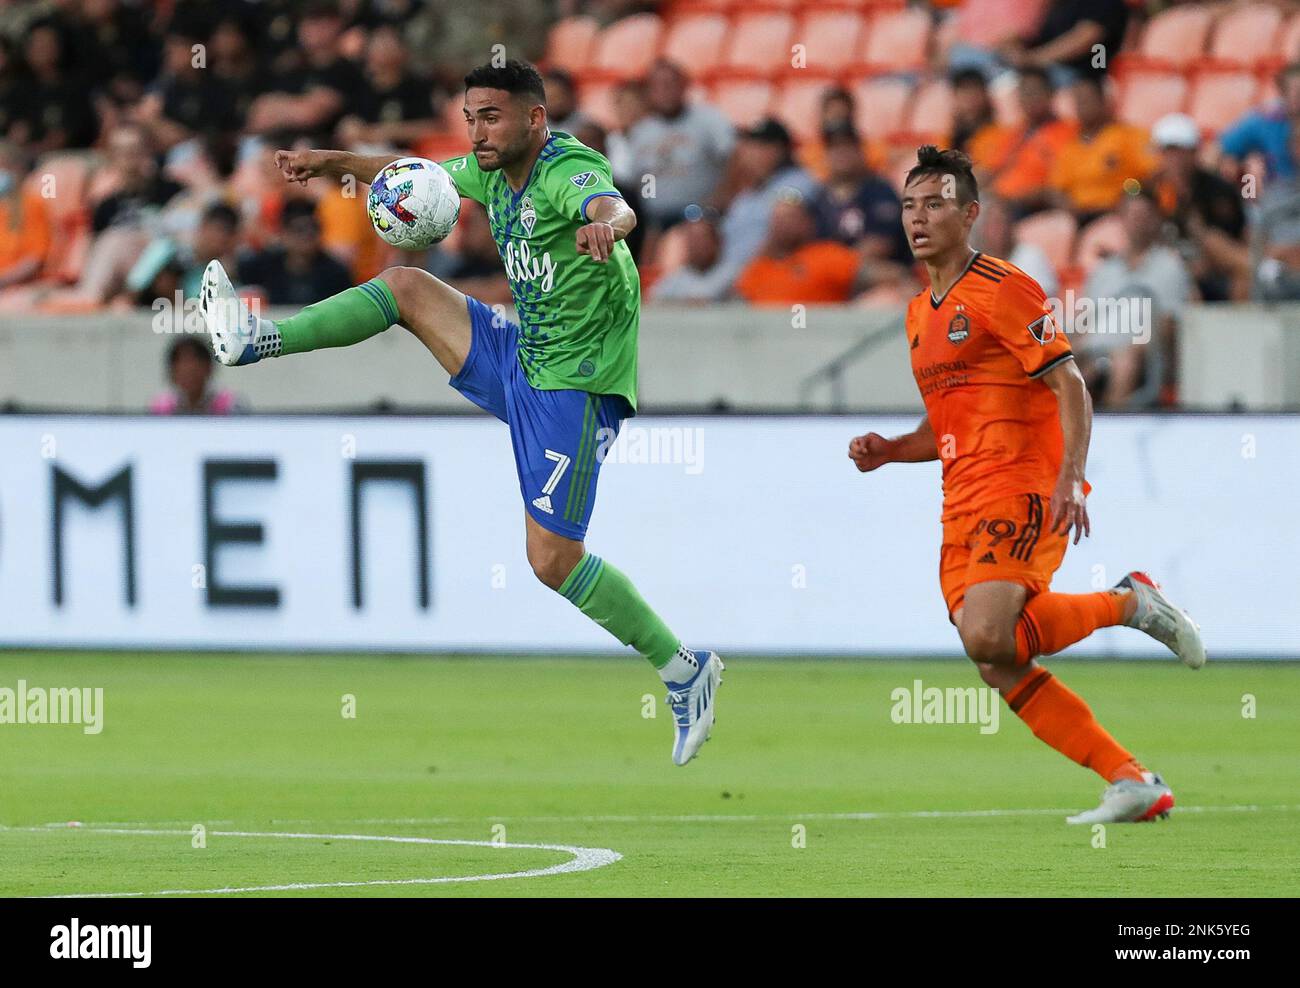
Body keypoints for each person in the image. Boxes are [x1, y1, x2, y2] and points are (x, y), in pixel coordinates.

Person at [199, 58, 723, 766]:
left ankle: (684, 668)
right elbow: (410, 174)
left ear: (535, 119)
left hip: (576, 386)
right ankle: (257, 338)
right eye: (471, 116)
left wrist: (613, 227)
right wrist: (331, 164)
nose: (477, 131)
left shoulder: (565, 169)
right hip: (522, 353)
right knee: (407, 287)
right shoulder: (489, 170)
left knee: (550, 560)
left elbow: (610, 203)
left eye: (491, 117)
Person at [847, 146, 1205, 825]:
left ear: (970, 213)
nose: (917, 219)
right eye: (908, 205)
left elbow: (1068, 381)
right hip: (961, 496)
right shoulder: (920, 310)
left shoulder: (1005, 286)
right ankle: (1131, 779)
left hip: (1024, 482)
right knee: (998, 659)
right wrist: (892, 450)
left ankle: (1127, 604)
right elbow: (947, 422)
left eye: (935, 204)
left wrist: (1071, 474)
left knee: (989, 635)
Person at [1078, 190, 1192, 408]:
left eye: (1144, 214)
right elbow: (1084, 322)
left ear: (1156, 220)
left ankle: (1114, 433)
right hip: (1095, 349)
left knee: (1124, 362)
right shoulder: (1104, 270)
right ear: (1121, 219)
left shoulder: (1169, 266)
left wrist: (1133, 348)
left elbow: (1167, 326)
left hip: (1142, 353)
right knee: (1060, 367)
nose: (1137, 220)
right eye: (1132, 214)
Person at [1049, 75, 1152, 223]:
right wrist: (1070, 210)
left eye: (1086, 100)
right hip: (1080, 217)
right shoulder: (1070, 147)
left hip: (1117, 213)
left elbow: (1151, 177)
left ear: (1104, 101)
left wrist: (1127, 193)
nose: (1082, 106)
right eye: (1078, 101)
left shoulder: (1129, 135)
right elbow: (1056, 189)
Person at [734, 193, 862, 306]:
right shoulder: (758, 268)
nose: (783, 224)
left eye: (790, 217)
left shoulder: (829, 254)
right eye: (777, 219)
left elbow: (870, 277)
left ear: (807, 222)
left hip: (818, 329)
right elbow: (737, 306)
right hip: (770, 331)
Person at [238, 199, 353, 306]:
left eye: (313, 229)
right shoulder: (260, 268)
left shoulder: (336, 273)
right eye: (299, 230)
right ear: (284, 234)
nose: (306, 236)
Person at [149, 336, 242, 415]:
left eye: (194, 372)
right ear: (172, 373)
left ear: (208, 368)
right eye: (184, 373)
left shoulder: (230, 405)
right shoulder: (161, 407)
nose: (189, 379)